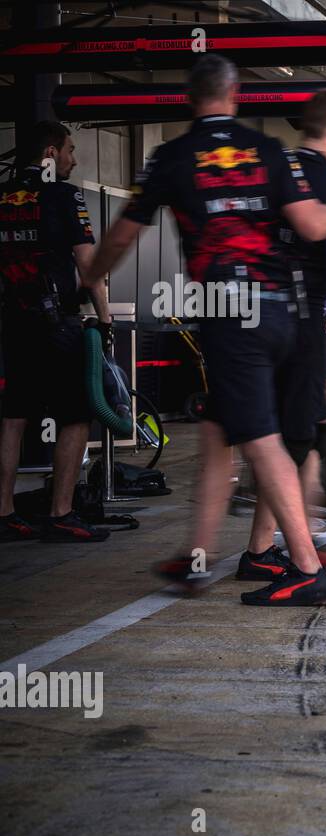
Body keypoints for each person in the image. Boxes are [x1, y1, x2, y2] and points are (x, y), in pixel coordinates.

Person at [85, 54, 326, 605]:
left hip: (228, 313)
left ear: (188, 99)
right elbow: (314, 224)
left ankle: (307, 567)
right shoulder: (269, 150)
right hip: (285, 316)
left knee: (259, 438)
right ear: (235, 93)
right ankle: (198, 558)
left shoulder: (170, 157)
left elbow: (122, 238)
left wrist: (91, 278)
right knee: (222, 433)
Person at [239, 88, 326, 584]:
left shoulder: (273, 167)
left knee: (282, 437)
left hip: (255, 312)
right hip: (301, 317)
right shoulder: (324, 179)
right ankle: (302, 554)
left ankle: (260, 549)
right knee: (304, 438)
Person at [0, 121, 112, 543]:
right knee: (76, 415)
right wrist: (105, 320)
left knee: (13, 417)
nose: (74, 158)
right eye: (69, 150)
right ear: (50, 152)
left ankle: (5, 512)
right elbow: (89, 265)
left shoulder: (5, 196)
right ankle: (61, 512)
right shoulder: (64, 195)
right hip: (56, 324)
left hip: (14, 320)